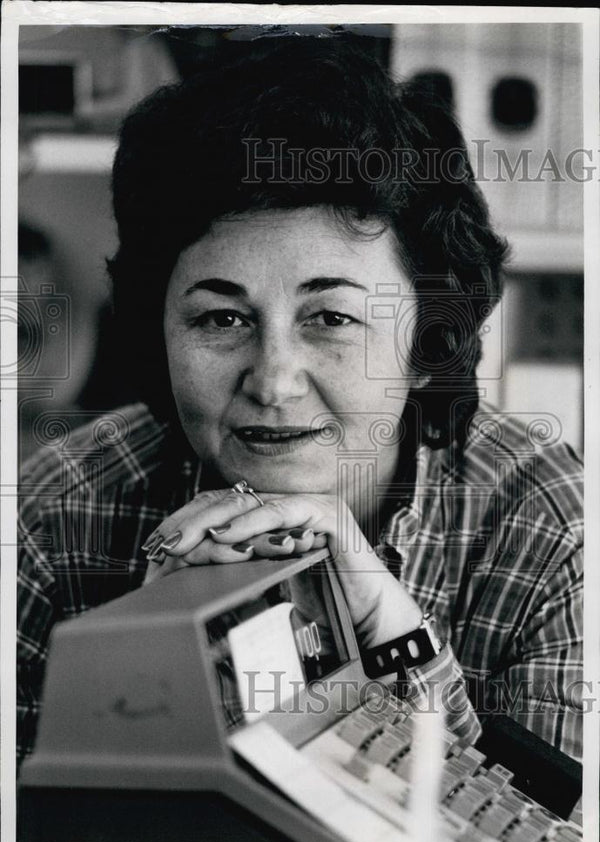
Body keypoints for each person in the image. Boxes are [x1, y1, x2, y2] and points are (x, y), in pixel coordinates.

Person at [17, 37, 583, 773]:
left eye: (331, 318)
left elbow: (555, 839)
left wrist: (396, 640)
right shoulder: (58, 512)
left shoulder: (554, 532)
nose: (275, 381)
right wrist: (135, 666)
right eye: (220, 319)